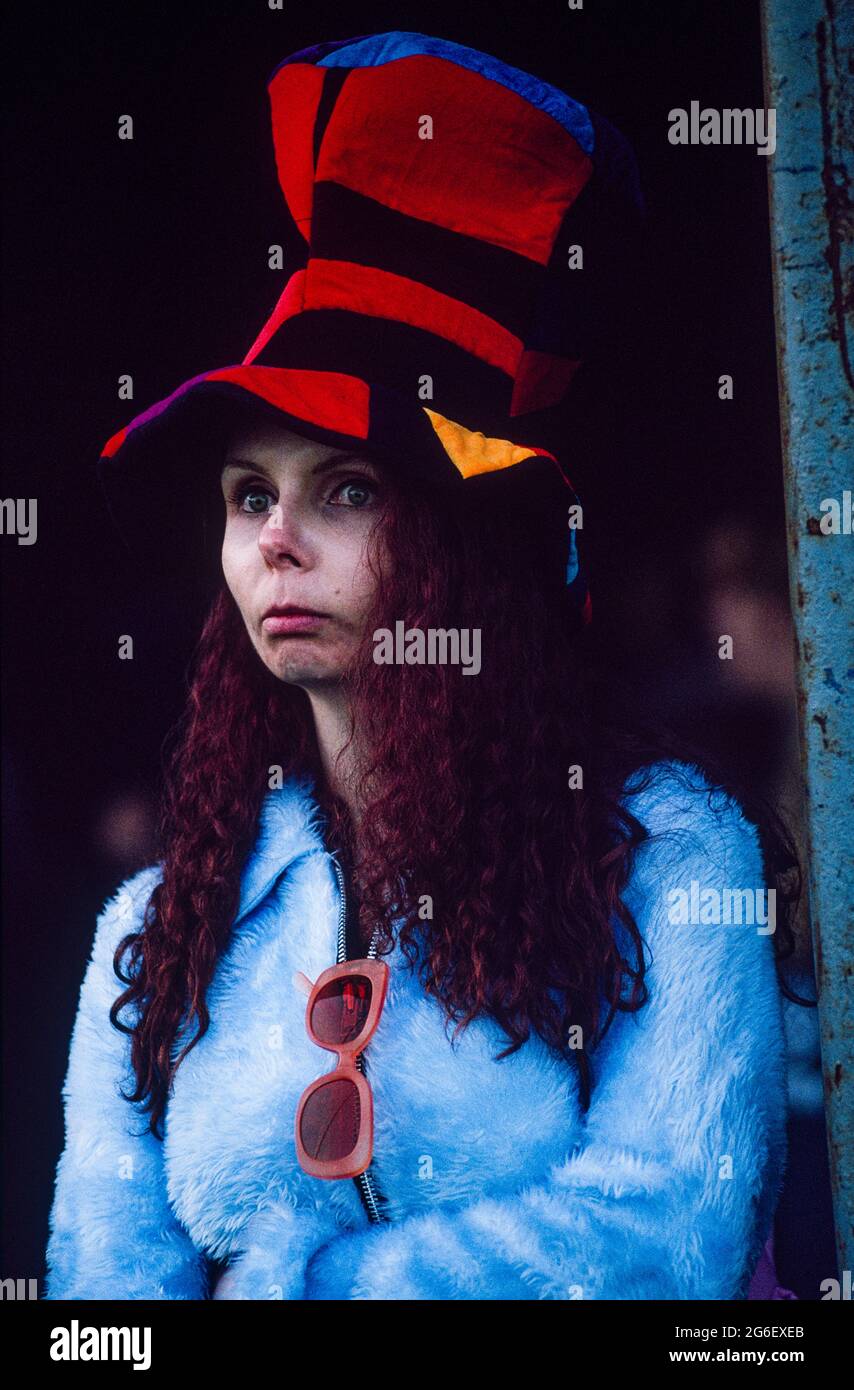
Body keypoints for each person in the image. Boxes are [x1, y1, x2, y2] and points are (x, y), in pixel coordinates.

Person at [44, 30, 807, 1301]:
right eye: (247, 497)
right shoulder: (157, 931)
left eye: (343, 489)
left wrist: (302, 1289)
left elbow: (673, 1235)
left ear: (469, 546)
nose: (276, 539)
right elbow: (93, 1313)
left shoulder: (665, 855)